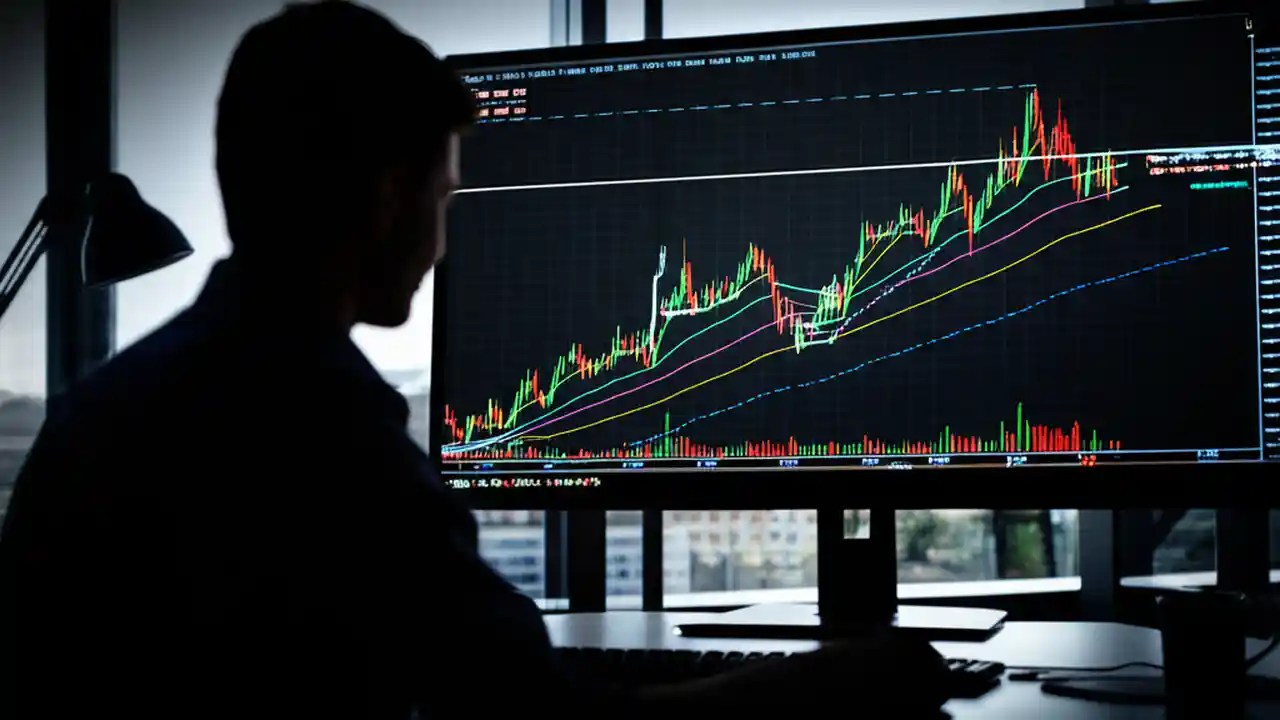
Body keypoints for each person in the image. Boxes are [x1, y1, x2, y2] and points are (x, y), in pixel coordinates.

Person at [0, 2, 950, 718]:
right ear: (387, 200)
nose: (443, 240)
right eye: (444, 199)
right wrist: (826, 685)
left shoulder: (105, 409)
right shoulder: (324, 430)